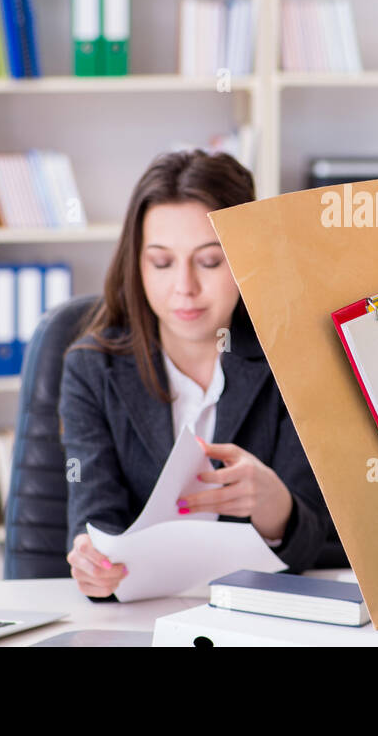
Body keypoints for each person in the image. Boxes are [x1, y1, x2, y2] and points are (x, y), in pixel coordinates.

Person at [60, 149, 338, 599]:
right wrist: (92, 561)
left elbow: (315, 544)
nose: (184, 287)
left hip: (262, 616)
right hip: (138, 618)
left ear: (247, 259)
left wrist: (276, 507)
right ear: (137, 264)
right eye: (161, 262)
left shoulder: (293, 358)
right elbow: (95, 517)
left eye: (210, 261)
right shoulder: (92, 368)